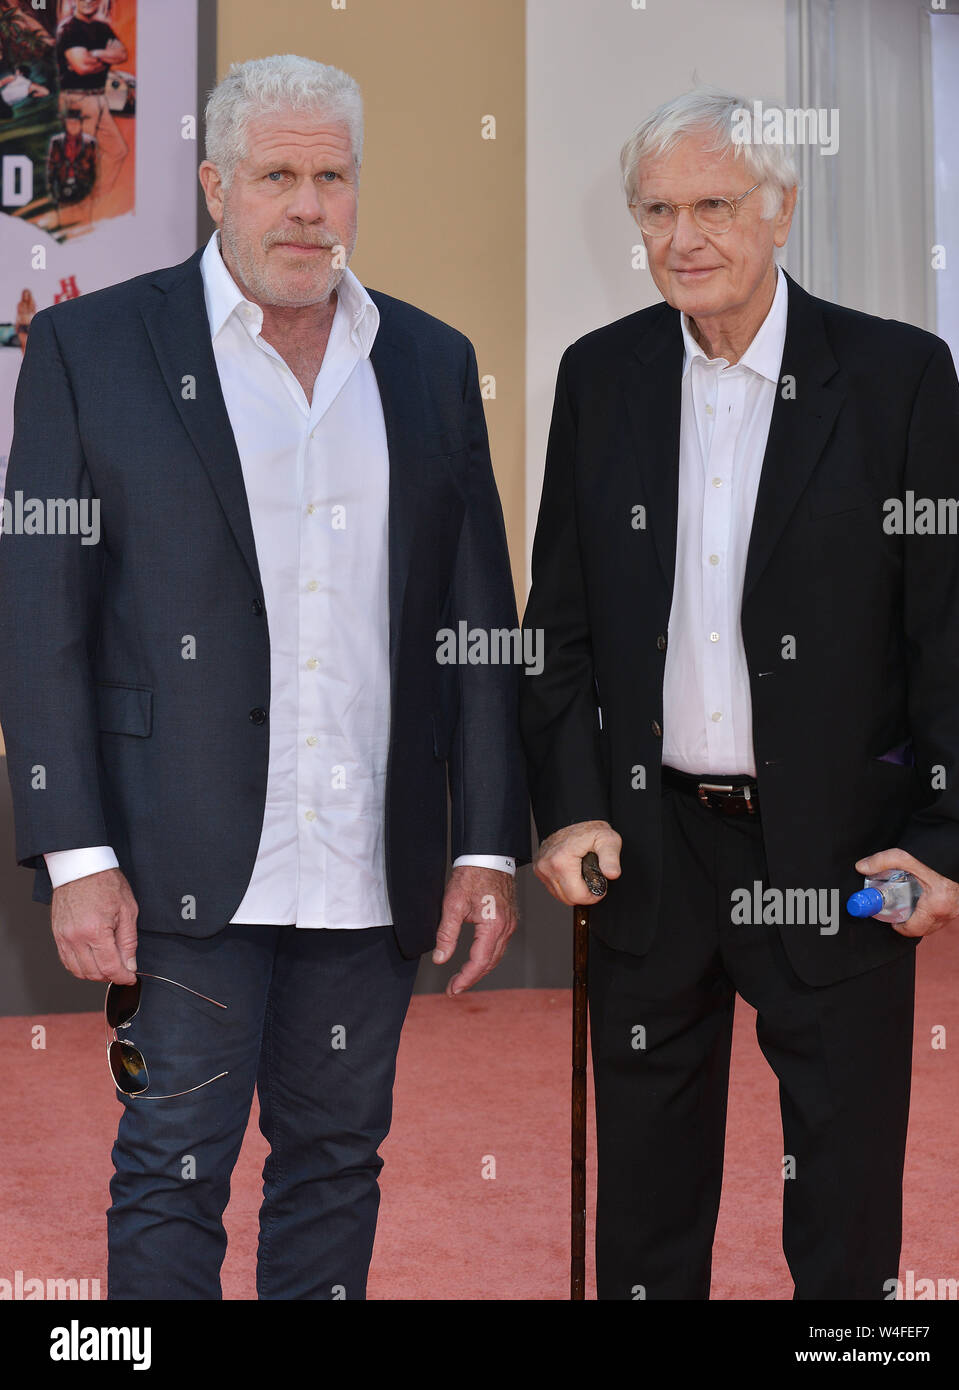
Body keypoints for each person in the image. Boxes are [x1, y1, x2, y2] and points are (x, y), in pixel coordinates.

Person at [0, 53, 529, 1300]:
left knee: (337, 1161)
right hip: (171, 858)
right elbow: (39, 619)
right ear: (214, 186)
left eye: (331, 178)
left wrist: (486, 842)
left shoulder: (429, 360)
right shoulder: (90, 347)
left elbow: (477, 622)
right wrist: (76, 856)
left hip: (367, 855)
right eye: (277, 175)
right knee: (171, 1165)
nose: (306, 206)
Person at [520, 86, 959, 1301]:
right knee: (644, 1201)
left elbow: (953, 630)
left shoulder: (894, 376)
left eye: (714, 205)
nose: (682, 238)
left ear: (780, 209)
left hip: (840, 854)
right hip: (650, 847)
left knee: (842, 1201)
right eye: (656, 210)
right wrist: (568, 808)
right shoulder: (600, 376)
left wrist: (949, 841)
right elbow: (557, 626)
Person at [54, 0, 127, 212]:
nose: (88, 1)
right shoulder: (69, 29)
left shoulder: (102, 28)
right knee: (79, 159)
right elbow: (82, 66)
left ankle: (93, 201)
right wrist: (106, 56)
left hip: (98, 98)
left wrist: (94, 54)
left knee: (117, 151)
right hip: (77, 100)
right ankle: (75, 211)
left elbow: (122, 54)